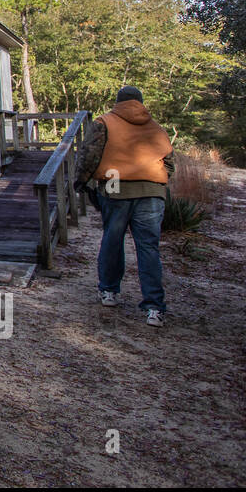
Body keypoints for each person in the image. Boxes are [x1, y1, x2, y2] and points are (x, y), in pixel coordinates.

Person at [75, 85, 175, 327]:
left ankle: (109, 292)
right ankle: (154, 308)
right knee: (148, 248)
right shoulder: (156, 129)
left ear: (118, 101)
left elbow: (90, 154)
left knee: (112, 238)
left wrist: (81, 180)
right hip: (152, 191)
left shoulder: (104, 122)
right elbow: (169, 163)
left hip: (114, 185)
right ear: (140, 101)